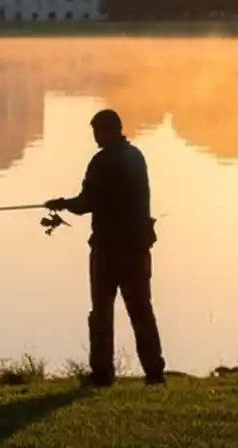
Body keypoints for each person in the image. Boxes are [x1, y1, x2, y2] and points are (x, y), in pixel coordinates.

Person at [47, 109, 166, 387]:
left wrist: (62, 203)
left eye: (97, 132)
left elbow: (86, 203)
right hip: (137, 248)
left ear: (107, 130)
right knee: (141, 310)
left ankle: (102, 373)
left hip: (108, 250)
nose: (95, 138)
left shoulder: (101, 162)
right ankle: (155, 373)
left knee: (101, 311)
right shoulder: (137, 158)